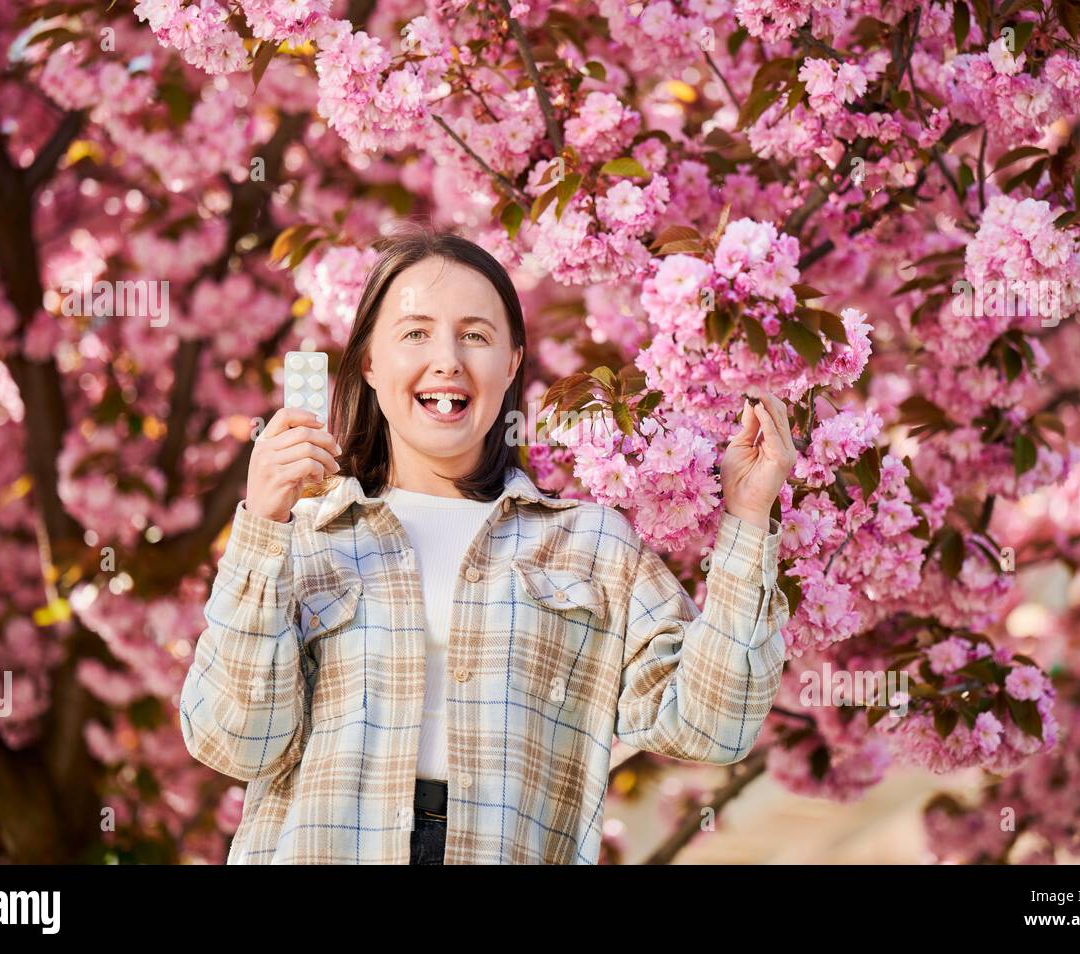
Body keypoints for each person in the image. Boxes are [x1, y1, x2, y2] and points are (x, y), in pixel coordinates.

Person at [180, 222, 796, 864]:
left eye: (475, 335)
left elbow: (713, 723)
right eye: (415, 332)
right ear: (368, 362)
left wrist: (747, 519)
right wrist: (262, 529)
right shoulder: (301, 541)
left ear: (512, 363)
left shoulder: (588, 546)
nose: (447, 358)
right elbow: (234, 739)